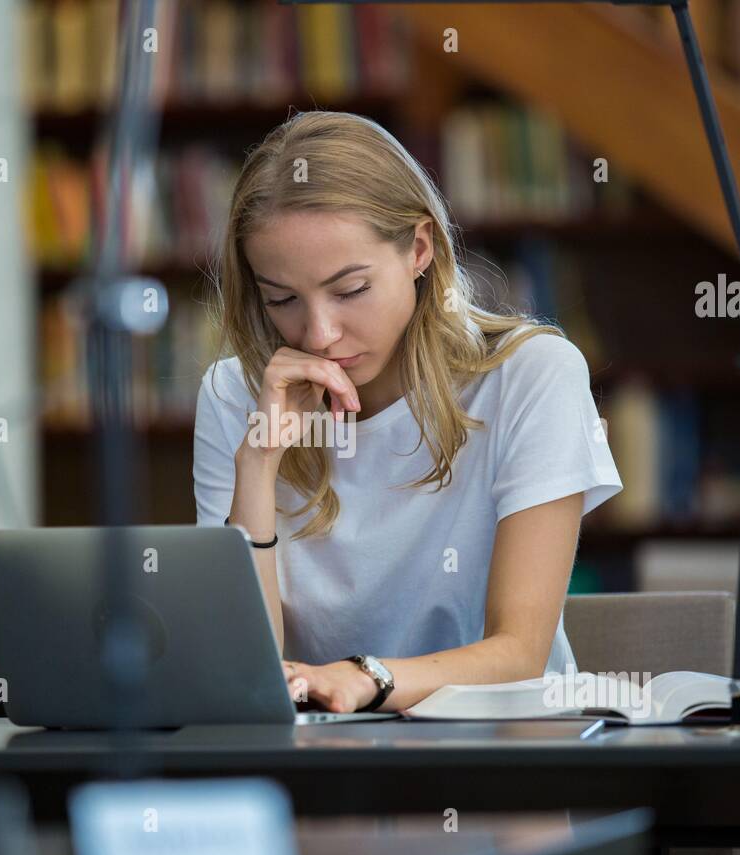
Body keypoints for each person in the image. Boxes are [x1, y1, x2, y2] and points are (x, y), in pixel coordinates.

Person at [193, 111, 621, 714]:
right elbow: (243, 668)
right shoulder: (235, 395)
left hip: (506, 752)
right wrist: (259, 463)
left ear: (419, 249)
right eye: (282, 300)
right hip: (315, 766)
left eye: (350, 290)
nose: (318, 333)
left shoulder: (532, 375)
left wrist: (367, 677)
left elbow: (520, 652)